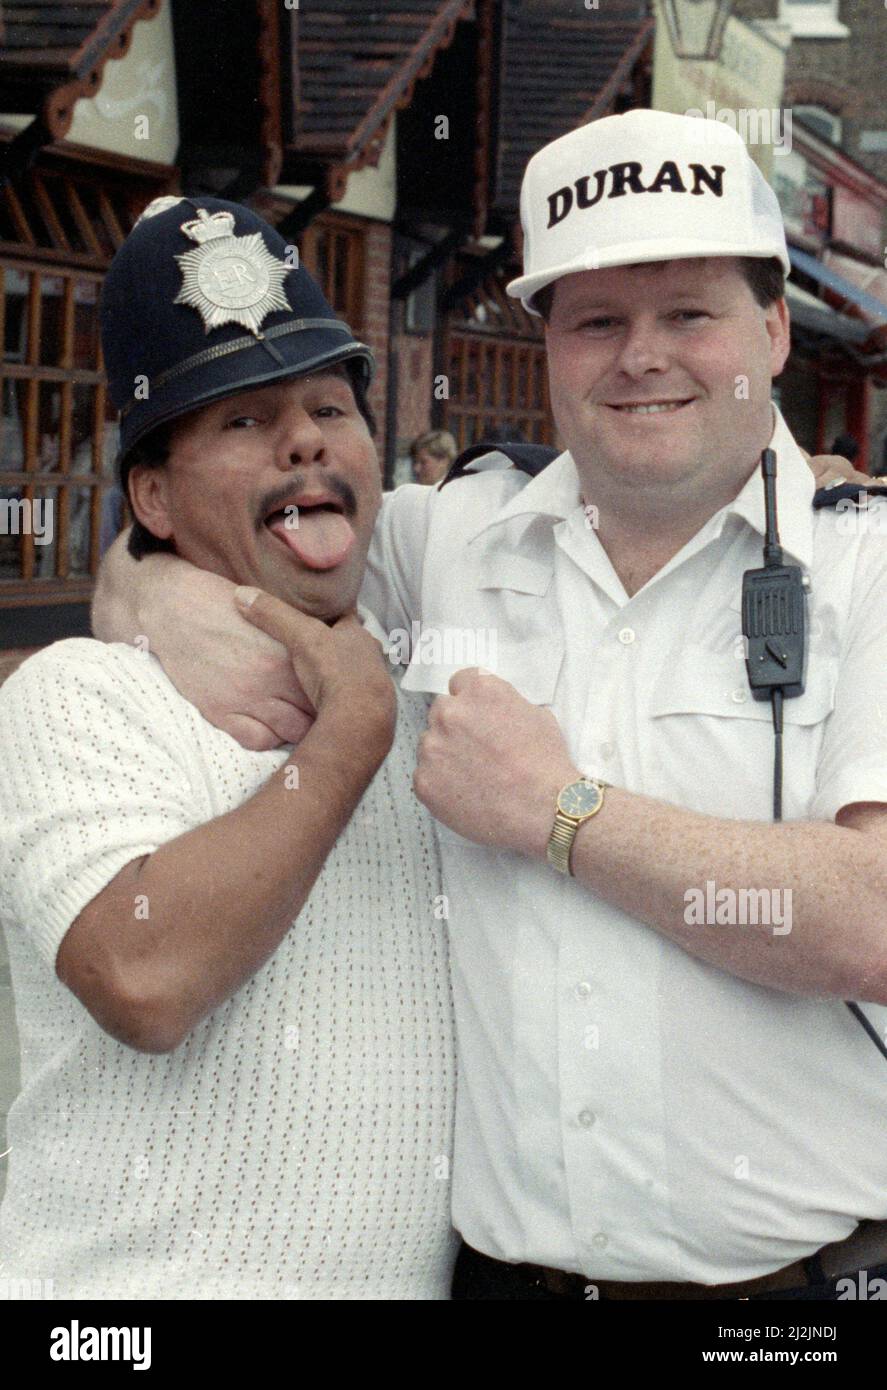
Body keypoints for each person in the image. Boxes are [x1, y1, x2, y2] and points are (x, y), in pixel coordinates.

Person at [93, 112, 887, 1301]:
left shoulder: (864, 566)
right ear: (549, 343)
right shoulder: (445, 542)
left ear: (771, 330)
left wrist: (560, 813)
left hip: (790, 1299)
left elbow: (871, 919)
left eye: (687, 314)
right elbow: (244, 530)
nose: (641, 357)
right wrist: (142, 582)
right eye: (595, 321)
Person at [0, 197, 456, 1300]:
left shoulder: (432, 670)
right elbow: (143, 976)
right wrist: (347, 733)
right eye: (243, 422)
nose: (304, 436)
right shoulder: (79, 695)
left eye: (328, 407)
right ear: (150, 497)